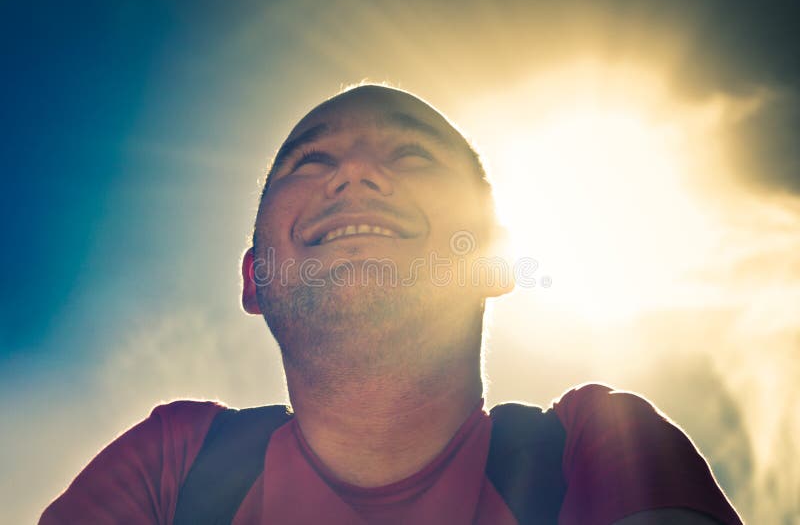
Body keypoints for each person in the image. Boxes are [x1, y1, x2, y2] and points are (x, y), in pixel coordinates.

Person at [40, 85, 743, 524]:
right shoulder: (177, 462)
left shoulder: (600, 444)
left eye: (412, 158)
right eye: (310, 162)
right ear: (256, 278)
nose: (355, 172)